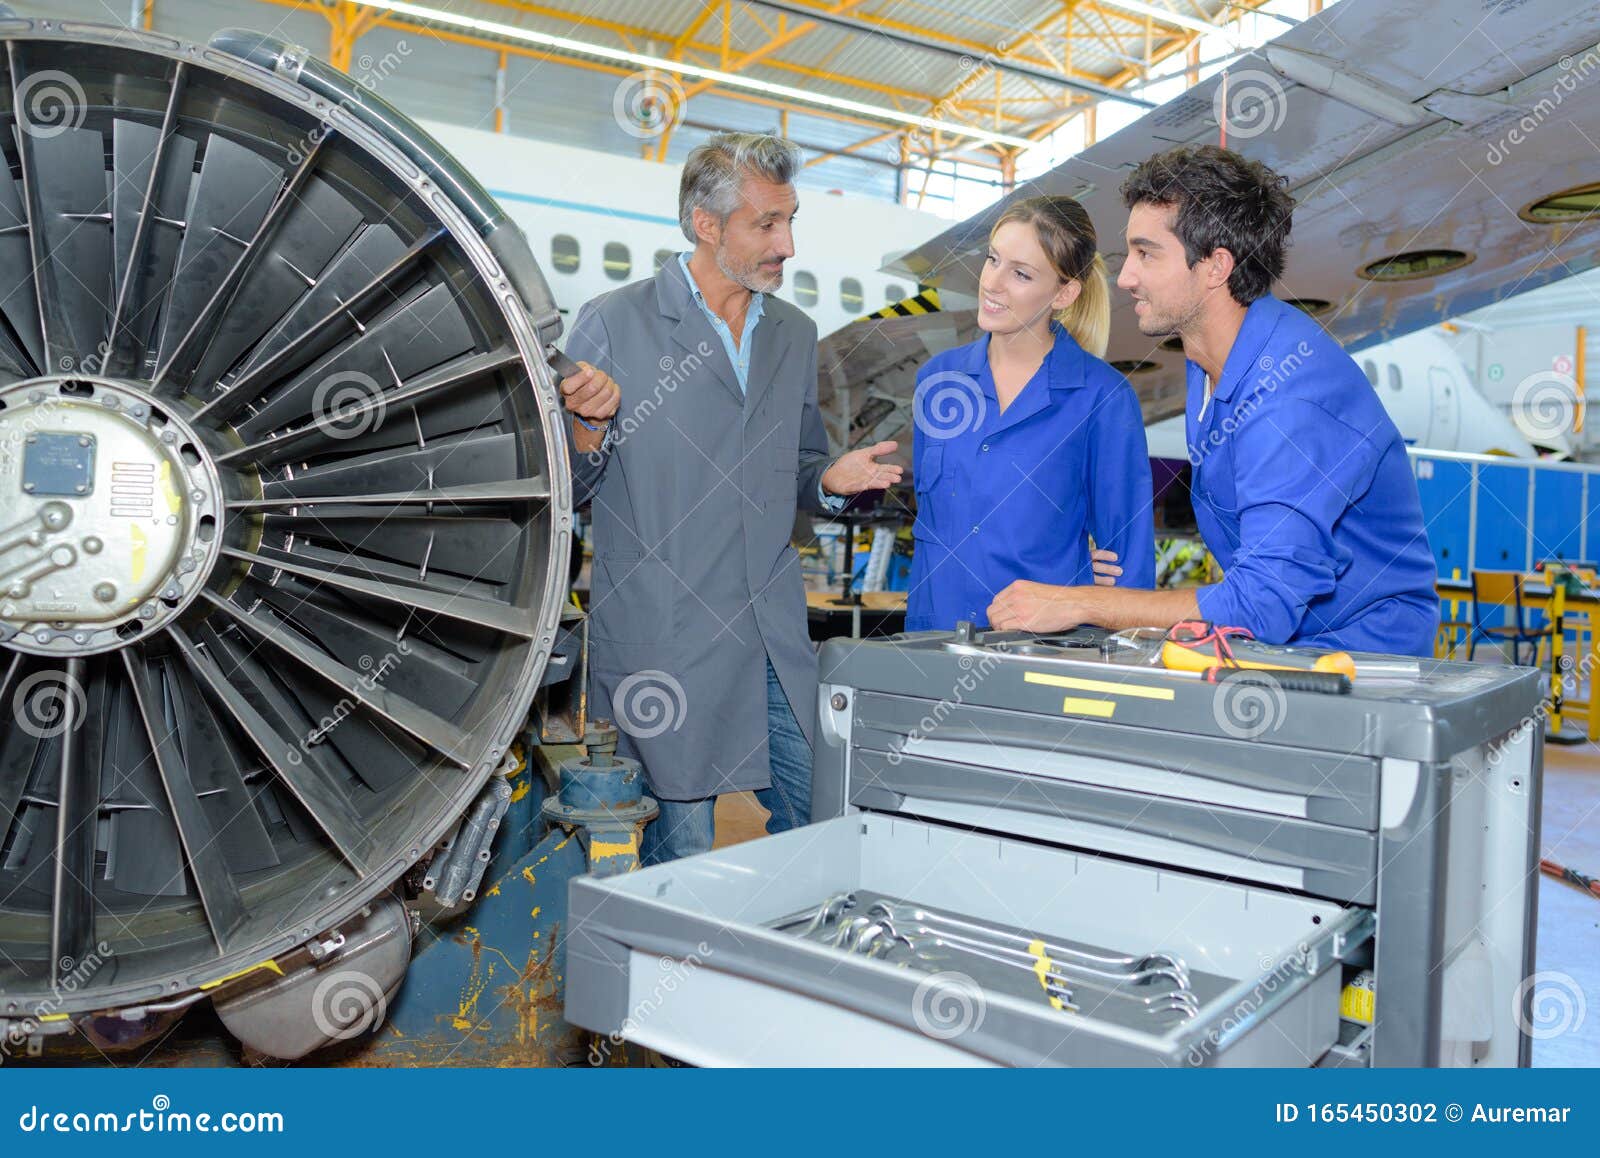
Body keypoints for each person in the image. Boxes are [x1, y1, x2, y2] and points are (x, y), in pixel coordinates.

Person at [557, 133, 900, 864]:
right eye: (767, 224)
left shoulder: (792, 335)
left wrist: (828, 482)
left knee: (823, 826)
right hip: (668, 642)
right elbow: (568, 490)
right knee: (678, 861)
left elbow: (801, 467)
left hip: (772, 636)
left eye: (790, 219)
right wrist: (588, 427)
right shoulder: (616, 322)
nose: (788, 243)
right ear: (706, 226)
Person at [987, 145, 1439, 656]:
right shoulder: (1209, 364)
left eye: (1146, 253)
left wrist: (1084, 604)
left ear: (1215, 266)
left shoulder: (1290, 395)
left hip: (1363, 664)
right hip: (1284, 649)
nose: (1125, 277)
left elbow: (1262, 603)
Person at [906, 196, 1153, 631]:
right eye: (992, 260)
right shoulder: (938, 381)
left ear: (1064, 293)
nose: (992, 283)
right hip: (931, 648)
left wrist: (1089, 598)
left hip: (1042, 657)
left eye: (1020, 274)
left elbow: (1126, 567)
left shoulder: (1103, 398)